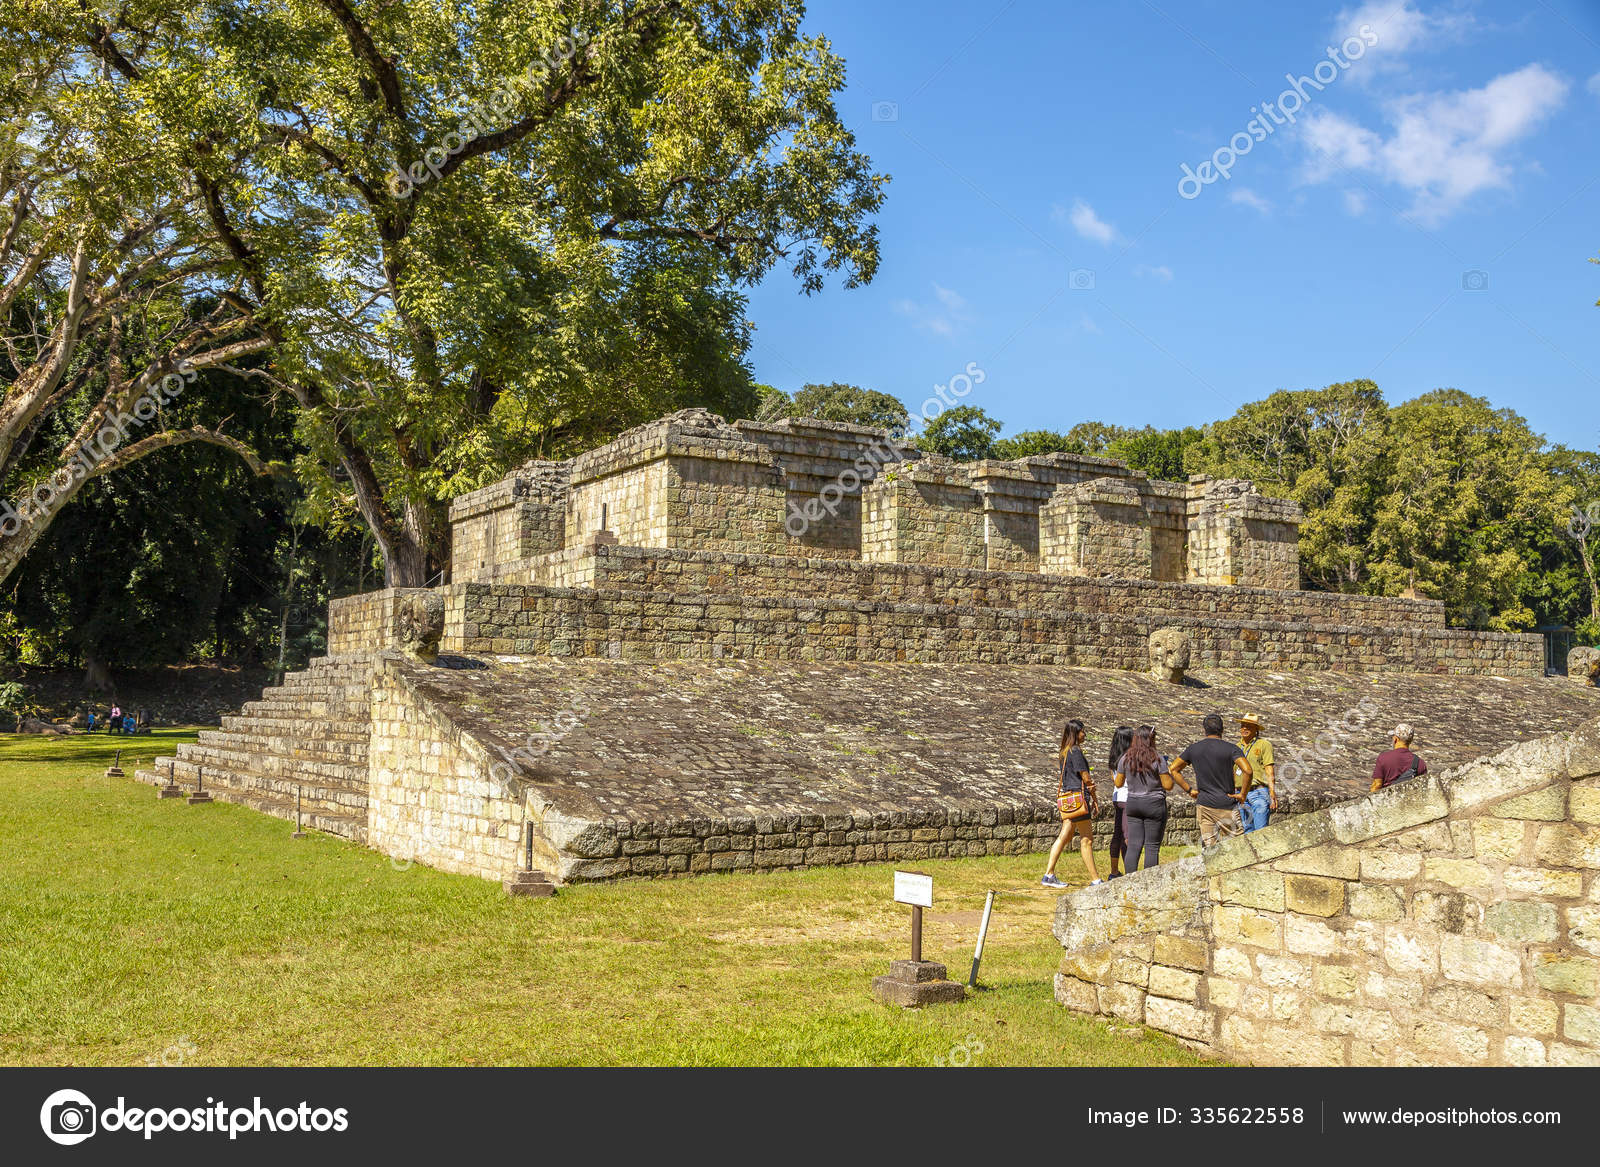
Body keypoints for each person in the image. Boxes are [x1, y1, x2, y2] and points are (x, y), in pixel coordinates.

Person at [1114, 725, 1192, 871]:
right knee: (1152, 846)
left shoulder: (1126, 757)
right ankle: (1148, 882)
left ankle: (1129, 881)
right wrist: (1169, 774)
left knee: (1133, 844)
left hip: (1133, 803)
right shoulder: (1157, 758)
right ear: (1150, 739)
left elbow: (1118, 783)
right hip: (1154, 803)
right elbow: (1167, 785)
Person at [1170, 713, 1253, 847]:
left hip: (1205, 804)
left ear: (1204, 730)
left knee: (1209, 848)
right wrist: (1243, 794)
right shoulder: (1232, 749)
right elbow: (1248, 770)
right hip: (1227, 803)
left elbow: (1173, 769)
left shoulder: (1194, 749)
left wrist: (1189, 790)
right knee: (1237, 847)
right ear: (1222, 730)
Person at [1041, 718, 1102, 888]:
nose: (1085, 734)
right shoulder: (1076, 752)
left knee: (1064, 836)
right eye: (1083, 731)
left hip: (1068, 799)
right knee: (1087, 840)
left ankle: (1049, 874)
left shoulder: (1064, 752)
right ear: (1076, 733)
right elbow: (1086, 777)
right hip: (1078, 800)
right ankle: (1096, 879)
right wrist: (1095, 799)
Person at [1237, 714, 1277, 833]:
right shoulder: (1236, 747)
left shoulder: (1264, 745)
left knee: (1260, 832)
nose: (1245, 728)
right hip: (1240, 794)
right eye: (1243, 726)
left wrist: (1272, 792)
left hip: (1258, 792)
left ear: (1256, 729)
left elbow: (1269, 769)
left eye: (1249, 726)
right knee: (1247, 832)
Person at [1104, 725, 1134, 878]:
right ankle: (1130, 872)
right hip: (1128, 798)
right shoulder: (1129, 758)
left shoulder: (1114, 757)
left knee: (1118, 835)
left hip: (1117, 797)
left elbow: (1114, 779)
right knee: (1128, 836)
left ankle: (1114, 871)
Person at [1371, 724, 1427, 792]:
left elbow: (1377, 785)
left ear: (1395, 739)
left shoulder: (1384, 758)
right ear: (1410, 741)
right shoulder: (1420, 763)